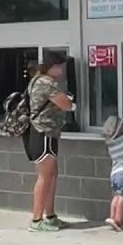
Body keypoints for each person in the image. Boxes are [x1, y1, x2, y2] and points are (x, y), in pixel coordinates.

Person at [23, 52, 74, 232]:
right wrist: (70, 100)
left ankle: (50, 216)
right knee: (45, 177)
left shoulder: (37, 80)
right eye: (59, 66)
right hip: (43, 132)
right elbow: (66, 105)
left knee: (51, 175)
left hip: (47, 133)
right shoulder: (46, 82)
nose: (61, 70)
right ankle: (37, 220)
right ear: (51, 67)